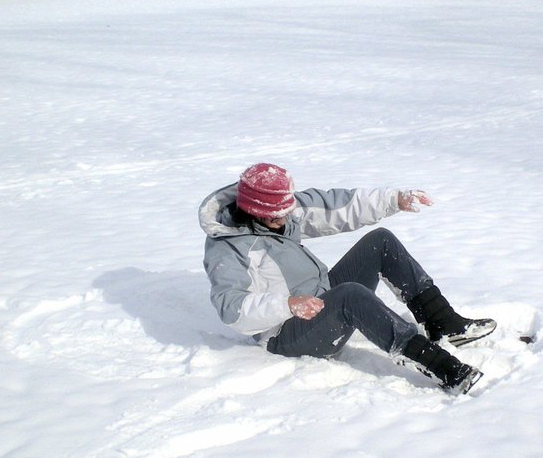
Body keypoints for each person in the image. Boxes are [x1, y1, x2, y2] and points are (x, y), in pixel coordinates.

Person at [198, 163, 496, 394]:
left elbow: (332, 207)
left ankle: (443, 323)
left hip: (319, 301)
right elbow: (232, 308)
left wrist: (393, 200)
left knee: (380, 241)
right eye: (277, 216)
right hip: (286, 334)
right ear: (253, 213)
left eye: (287, 212)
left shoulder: (280, 212)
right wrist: (286, 304)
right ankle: (439, 365)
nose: (286, 219)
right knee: (350, 295)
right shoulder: (228, 249)